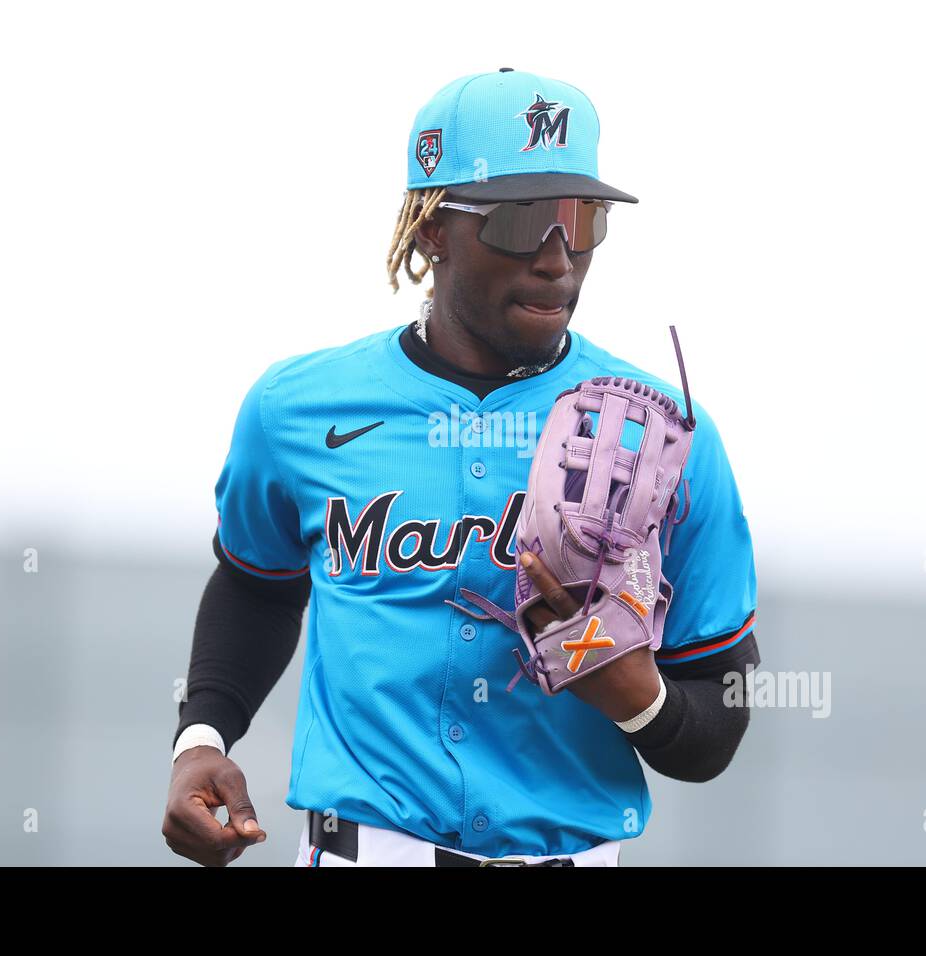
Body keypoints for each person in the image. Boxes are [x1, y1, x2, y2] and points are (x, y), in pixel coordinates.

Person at [161, 68, 760, 867]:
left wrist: (638, 698)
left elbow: (719, 717)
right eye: (523, 220)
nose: (559, 258)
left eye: (582, 219)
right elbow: (256, 584)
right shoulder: (297, 407)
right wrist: (202, 735)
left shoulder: (661, 440)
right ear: (430, 228)